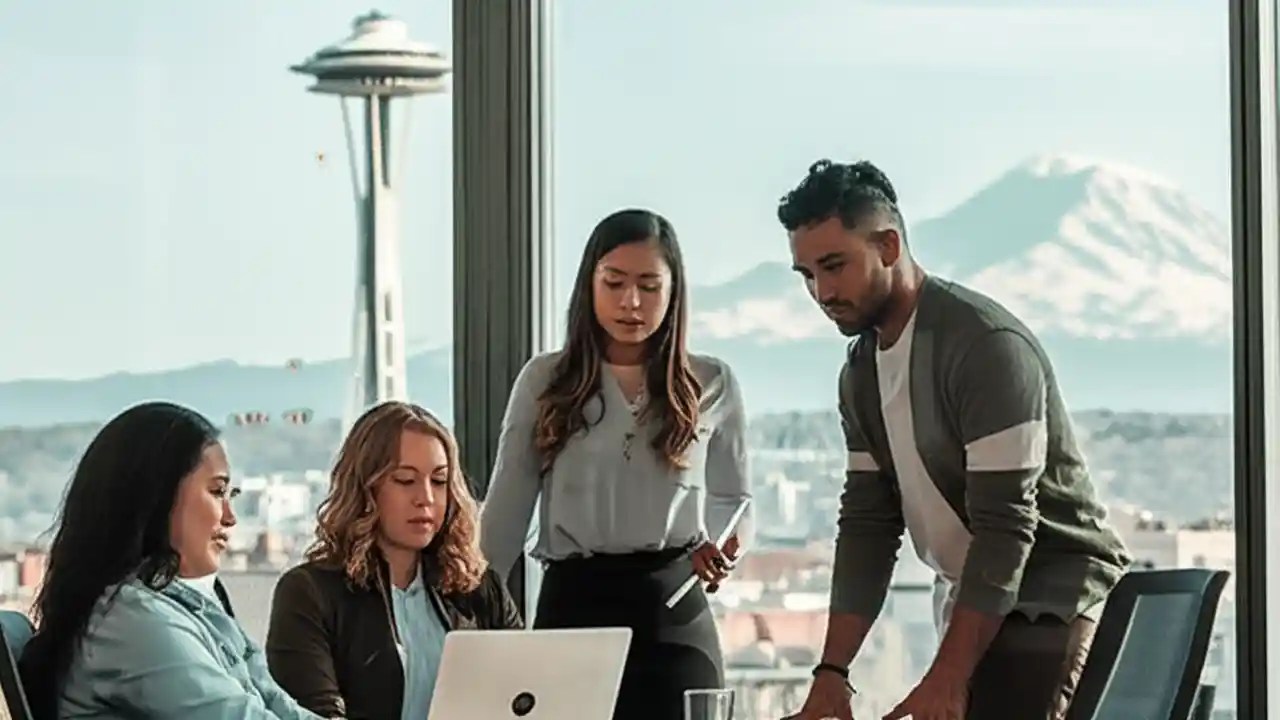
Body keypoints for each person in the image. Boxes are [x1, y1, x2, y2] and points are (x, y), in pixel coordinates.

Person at [778, 160, 1132, 720]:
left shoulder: (985, 347)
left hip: (1050, 604)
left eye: (834, 266)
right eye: (806, 275)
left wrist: (948, 676)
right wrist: (832, 674)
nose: (821, 291)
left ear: (889, 246)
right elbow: (869, 523)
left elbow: (1006, 528)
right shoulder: (861, 372)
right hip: (979, 601)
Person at [480, 208, 754, 720]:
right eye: (615, 282)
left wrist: (726, 546)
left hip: (675, 613)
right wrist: (467, 625)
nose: (631, 302)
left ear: (674, 293)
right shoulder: (545, 382)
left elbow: (734, 499)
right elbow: (504, 518)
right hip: (573, 611)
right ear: (590, 284)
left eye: (649, 286)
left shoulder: (712, 382)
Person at [17, 402, 325, 720]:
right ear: (156, 496)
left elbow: (279, 706)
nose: (230, 517)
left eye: (230, 496)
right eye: (217, 492)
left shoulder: (186, 606)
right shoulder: (129, 621)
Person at [266, 401, 521, 720]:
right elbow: (315, 714)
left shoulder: (480, 590)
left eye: (439, 481)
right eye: (405, 480)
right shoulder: (308, 593)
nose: (426, 498)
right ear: (366, 488)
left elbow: (526, 696)